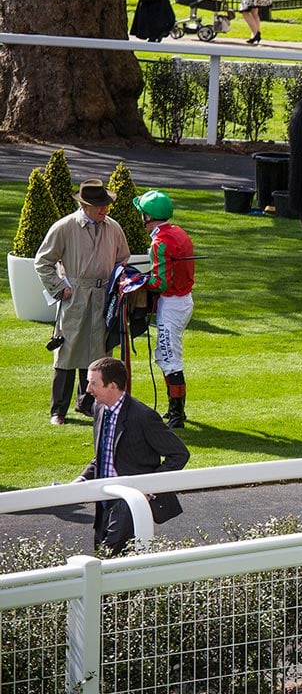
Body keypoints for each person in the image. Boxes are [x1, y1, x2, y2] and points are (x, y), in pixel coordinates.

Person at [36, 180, 132, 426]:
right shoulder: (65, 227)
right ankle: (58, 410)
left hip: (103, 298)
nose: (105, 209)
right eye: (99, 206)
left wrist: (119, 284)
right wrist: (59, 288)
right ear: (85, 206)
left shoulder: (113, 227)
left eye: (106, 205)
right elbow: (43, 261)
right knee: (67, 353)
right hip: (75, 296)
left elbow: (123, 258)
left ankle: (87, 404)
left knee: (97, 353)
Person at [73, 357, 190, 554]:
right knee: (102, 554)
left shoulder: (143, 416)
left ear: (112, 386)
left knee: (109, 556)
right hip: (104, 498)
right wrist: (81, 479)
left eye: (94, 383)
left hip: (128, 502)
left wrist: (148, 488)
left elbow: (179, 454)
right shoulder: (99, 408)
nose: (88, 390)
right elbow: (104, 455)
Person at [132, 190, 195, 431]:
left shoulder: (160, 241)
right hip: (181, 301)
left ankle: (177, 417)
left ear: (149, 217)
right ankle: (174, 409)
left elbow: (161, 284)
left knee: (169, 357)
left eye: (142, 214)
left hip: (172, 304)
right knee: (164, 355)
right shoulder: (177, 231)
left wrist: (137, 281)